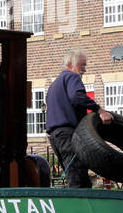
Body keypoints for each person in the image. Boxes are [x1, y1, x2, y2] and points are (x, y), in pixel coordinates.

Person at [45, 50, 114, 189]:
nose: (84, 70)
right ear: (70, 64)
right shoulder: (72, 77)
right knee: (77, 175)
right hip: (68, 134)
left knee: (74, 173)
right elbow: (77, 97)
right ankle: (79, 208)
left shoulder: (55, 84)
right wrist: (99, 110)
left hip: (55, 136)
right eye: (82, 66)